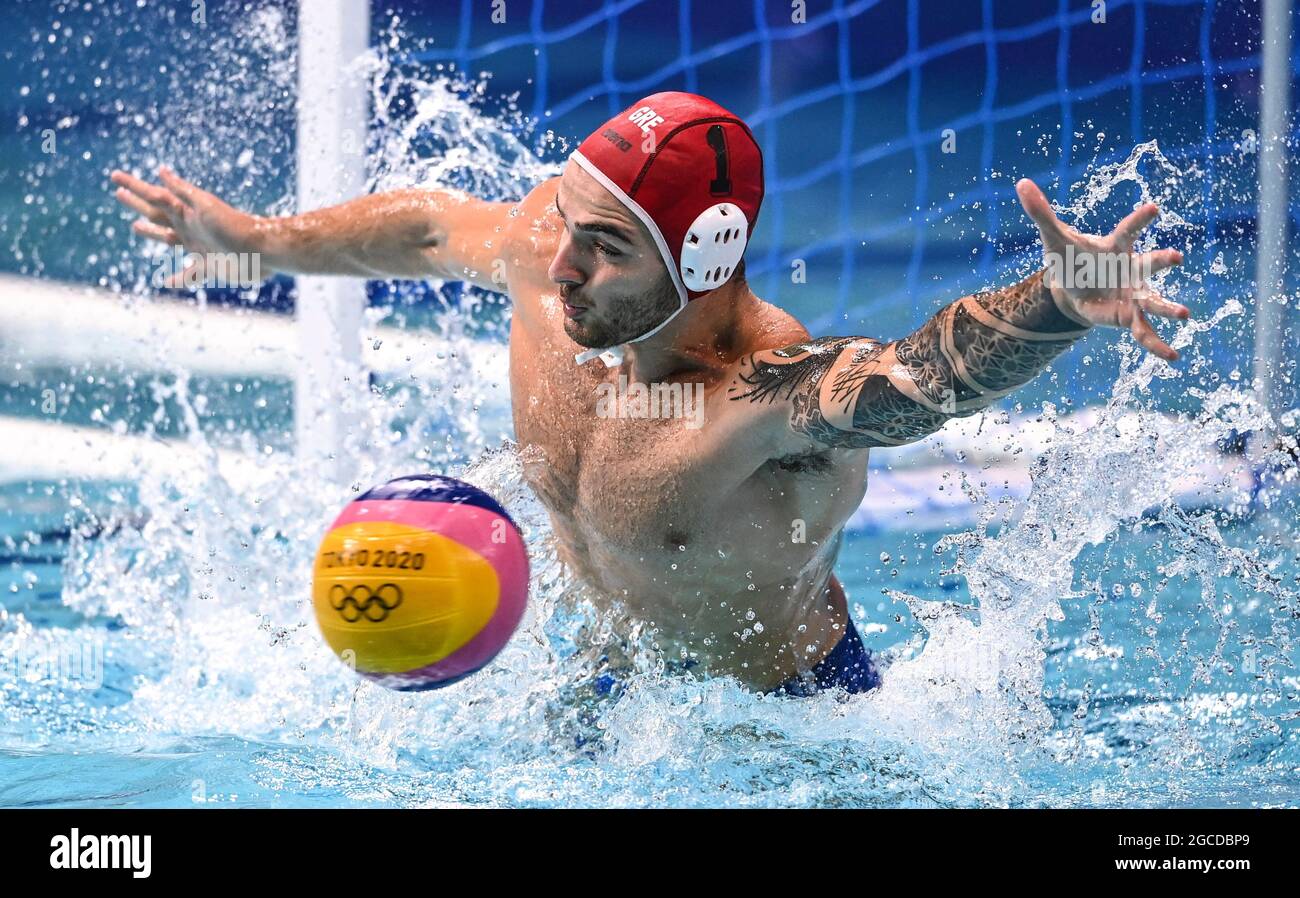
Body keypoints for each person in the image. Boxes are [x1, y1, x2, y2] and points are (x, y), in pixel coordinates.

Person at [110, 91, 1188, 696]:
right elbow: (433, 226)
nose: (559, 264)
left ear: (703, 261)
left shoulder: (756, 393)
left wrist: (1057, 301)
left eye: (608, 247)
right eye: (566, 224)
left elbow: (912, 380)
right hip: (607, 680)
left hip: (792, 733)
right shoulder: (556, 252)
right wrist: (253, 242)